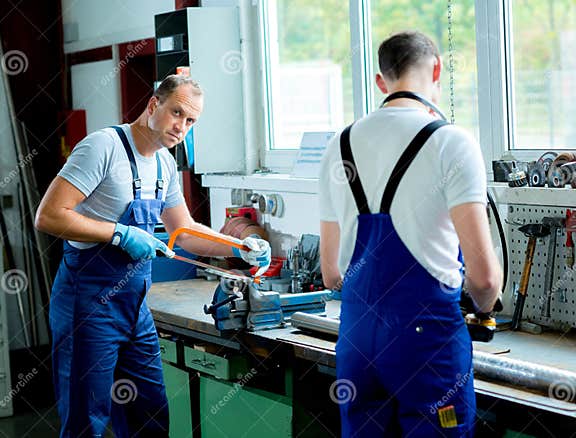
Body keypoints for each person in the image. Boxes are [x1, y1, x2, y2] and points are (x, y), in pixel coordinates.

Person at [35, 74, 271, 437]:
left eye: (191, 121)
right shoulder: (103, 147)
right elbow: (49, 216)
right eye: (176, 113)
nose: (182, 127)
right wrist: (118, 233)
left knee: (151, 417)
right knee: (86, 422)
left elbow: (184, 232)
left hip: (134, 309)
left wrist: (241, 249)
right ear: (152, 105)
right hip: (87, 306)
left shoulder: (164, 164)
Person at [319, 31, 502, 437]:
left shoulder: (339, 145)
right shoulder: (451, 142)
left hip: (357, 340)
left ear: (381, 81)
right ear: (436, 69)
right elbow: (485, 279)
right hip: (427, 341)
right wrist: (484, 308)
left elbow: (331, 274)